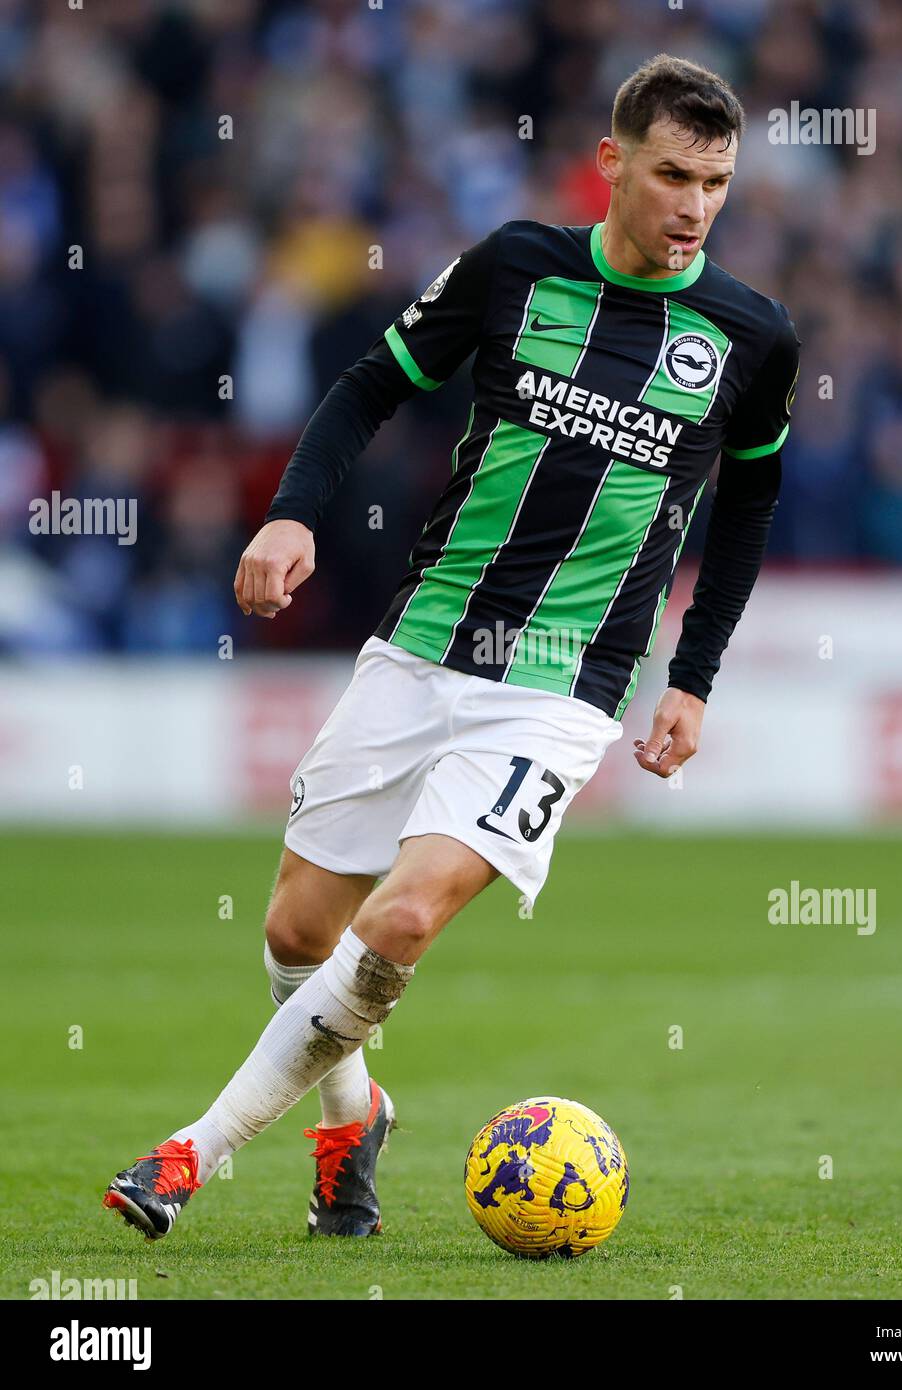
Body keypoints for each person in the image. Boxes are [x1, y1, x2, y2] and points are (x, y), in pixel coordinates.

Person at [103, 53, 800, 1242]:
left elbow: (744, 510)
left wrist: (690, 676)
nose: (693, 207)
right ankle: (351, 1120)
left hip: (564, 686)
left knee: (404, 920)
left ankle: (187, 1153)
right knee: (294, 933)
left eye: (717, 184)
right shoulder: (515, 265)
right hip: (426, 639)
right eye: (674, 174)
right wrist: (290, 510)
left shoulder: (750, 335)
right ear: (613, 163)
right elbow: (369, 386)